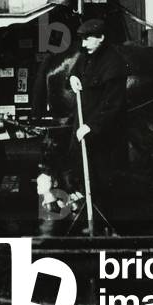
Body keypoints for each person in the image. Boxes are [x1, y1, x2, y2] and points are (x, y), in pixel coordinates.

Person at [57, 18, 128, 219]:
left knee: (102, 175)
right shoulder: (87, 55)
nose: (84, 44)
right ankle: (85, 213)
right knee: (80, 167)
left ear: (101, 38)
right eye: (82, 39)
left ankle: (103, 219)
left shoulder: (115, 64)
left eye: (88, 39)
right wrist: (72, 77)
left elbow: (113, 104)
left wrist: (90, 126)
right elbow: (75, 71)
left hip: (104, 131)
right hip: (83, 124)